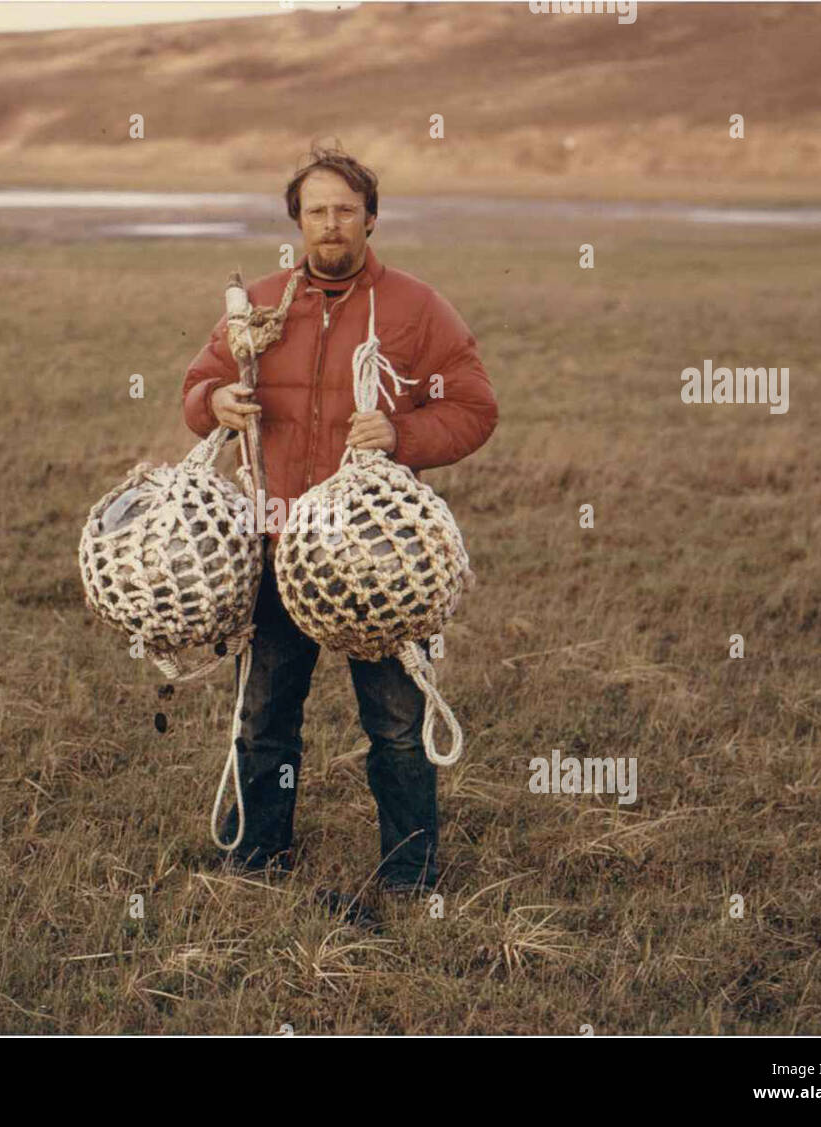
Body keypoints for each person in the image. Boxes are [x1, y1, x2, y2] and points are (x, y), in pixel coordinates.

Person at [180, 144, 498, 894]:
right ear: (297, 222)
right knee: (263, 718)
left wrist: (402, 434)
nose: (331, 225)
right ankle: (259, 860)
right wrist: (215, 405)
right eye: (317, 211)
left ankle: (409, 878)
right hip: (274, 542)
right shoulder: (255, 305)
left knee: (394, 721)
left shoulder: (419, 310)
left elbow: (476, 407)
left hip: (377, 556)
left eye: (346, 211)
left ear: (372, 219)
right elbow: (200, 384)